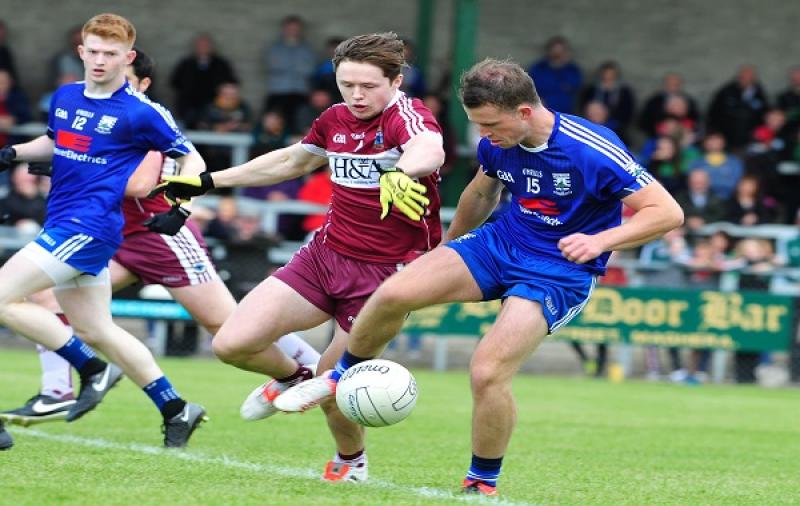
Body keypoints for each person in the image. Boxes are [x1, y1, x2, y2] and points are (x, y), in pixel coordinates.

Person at [274, 58, 684, 495]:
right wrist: (447, 248)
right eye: (476, 125)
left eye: (490, 125)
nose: (484, 136)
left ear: (524, 112)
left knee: (487, 371)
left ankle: (481, 483)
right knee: (395, 292)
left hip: (558, 270)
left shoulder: (591, 148)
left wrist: (601, 242)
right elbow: (481, 192)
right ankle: (340, 375)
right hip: (501, 243)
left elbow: (667, 213)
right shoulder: (496, 142)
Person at [150, 32, 444, 482]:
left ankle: (350, 462)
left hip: (387, 275)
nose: (356, 95)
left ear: (396, 82)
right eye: (347, 84)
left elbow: (430, 148)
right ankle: (293, 376)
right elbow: (292, 161)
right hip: (324, 256)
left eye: (368, 86)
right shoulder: (335, 118)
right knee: (231, 344)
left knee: (336, 386)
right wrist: (208, 181)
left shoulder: (406, 117)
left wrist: (401, 171)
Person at [0, 48, 320, 427]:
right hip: (116, 236)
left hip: (161, 237)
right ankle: (58, 391)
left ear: (143, 84)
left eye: (124, 77)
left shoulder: (143, 119)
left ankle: (308, 368)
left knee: (227, 325)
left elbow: (139, 185)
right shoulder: (98, 114)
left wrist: (72, 167)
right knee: (49, 298)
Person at [0, 13, 209, 448]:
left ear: (127, 57)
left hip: (88, 227)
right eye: (93, 51)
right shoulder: (65, 95)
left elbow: (193, 159)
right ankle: (176, 408)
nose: (99, 60)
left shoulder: (140, 112)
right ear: (81, 51)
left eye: (110, 54)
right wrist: (12, 153)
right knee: (97, 330)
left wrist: (182, 206)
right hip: (66, 221)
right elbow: (55, 142)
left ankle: (91, 368)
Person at [169, 33, 237, 128]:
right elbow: (175, 82)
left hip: (215, 104)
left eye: (205, 46)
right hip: (190, 104)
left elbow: (230, 82)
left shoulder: (221, 64)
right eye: (200, 46)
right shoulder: (186, 64)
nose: (203, 48)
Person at [527, 36, 582, 114]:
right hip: (542, 111)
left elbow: (573, 87)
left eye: (560, 52)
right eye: (555, 52)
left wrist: (561, 67)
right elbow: (531, 88)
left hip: (565, 112)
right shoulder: (538, 68)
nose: (557, 55)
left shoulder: (572, 70)